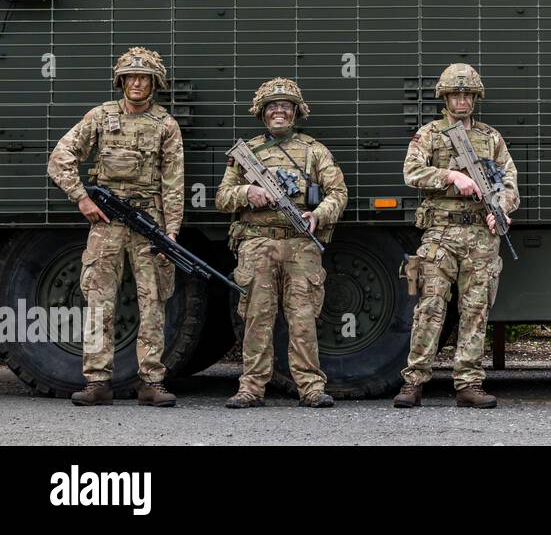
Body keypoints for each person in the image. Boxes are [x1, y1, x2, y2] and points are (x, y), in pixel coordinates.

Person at [47, 47, 184, 406]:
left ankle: (151, 381)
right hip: (106, 224)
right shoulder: (100, 117)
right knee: (98, 301)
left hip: (148, 222)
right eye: (131, 77)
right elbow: (60, 158)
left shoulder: (165, 125)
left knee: (153, 302)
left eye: (144, 78)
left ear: (155, 83)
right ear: (121, 80)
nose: (137, 83)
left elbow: (173, 184)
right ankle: (97, 382)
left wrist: (170, 234)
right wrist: (81, 198)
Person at [393, 63, 519, 409]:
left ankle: (469, 383)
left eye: (467, 94)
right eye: (455, 94)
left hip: (481, 232)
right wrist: (451, 176)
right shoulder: (431, 134)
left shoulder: (491, 138)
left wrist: (502, 209)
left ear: (475, 98)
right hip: (441, 233)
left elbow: (509, 182)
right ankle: (413, 381)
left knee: (476, 310)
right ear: (445, 97)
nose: (461, 100)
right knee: (430, 307)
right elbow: (412, 171)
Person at [217, 78, 347, 409]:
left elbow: (339, 194)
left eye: (286, 107)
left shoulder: (314, 151)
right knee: (258, 317)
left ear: (295, 112)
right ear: (263, 113)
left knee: (303, 318)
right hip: (257, 243)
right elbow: (221, 198)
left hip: (300, 243)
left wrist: (318, 215)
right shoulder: (246, 155)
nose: (279, 111)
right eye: (273, 107)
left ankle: (311, 387)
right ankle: (251, 387)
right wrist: (249, 193)